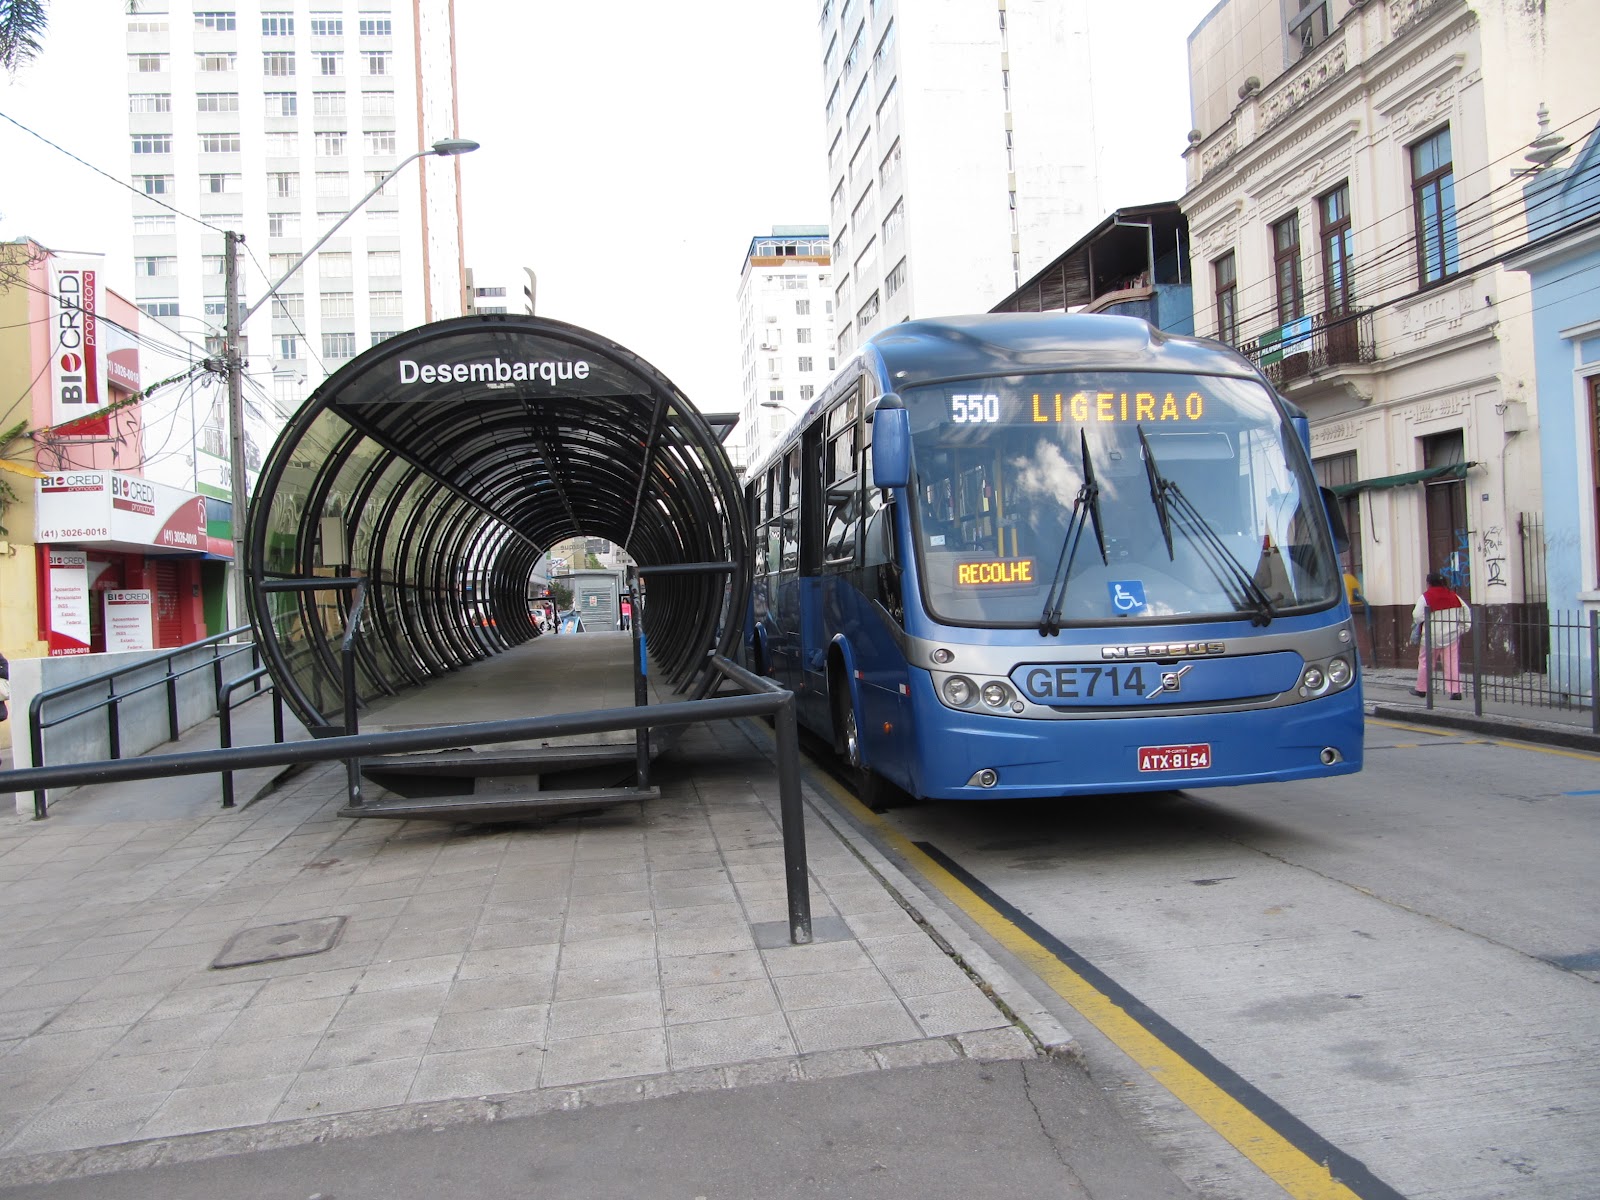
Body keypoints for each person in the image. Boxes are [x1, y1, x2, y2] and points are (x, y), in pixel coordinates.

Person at [1411, 570, 1471, 699]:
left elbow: (1417, 615)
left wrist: (1423, 622)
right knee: (1452, 663)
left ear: (1429, 583)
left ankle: (1422, 689)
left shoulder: (1426, 597)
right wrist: (1462, 628)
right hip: (1451, 635)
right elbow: (1466, 611)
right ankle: (1455, 691)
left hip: (1431, 636)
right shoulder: (1453, 596)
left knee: (1426, 662)